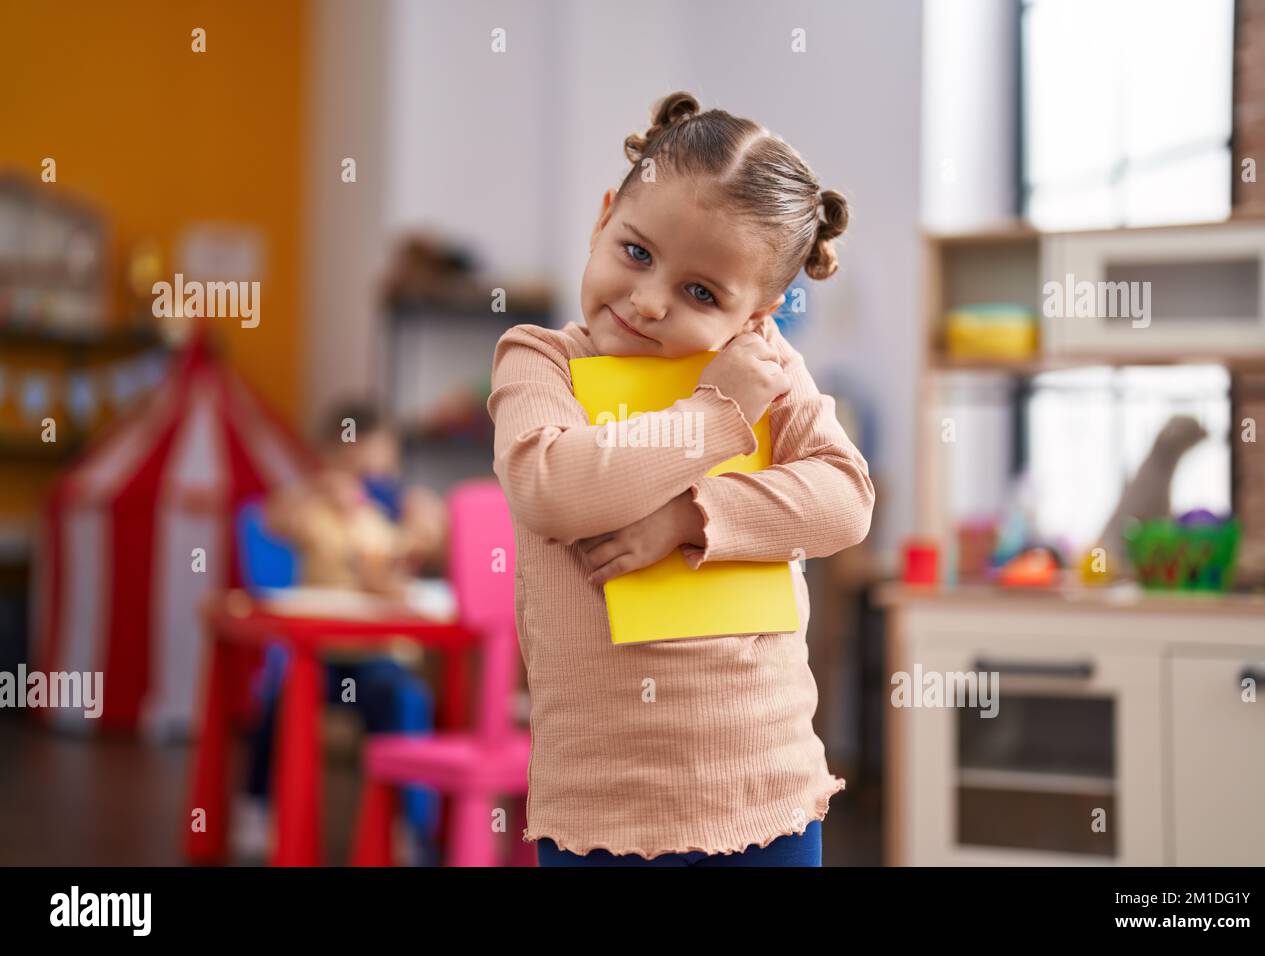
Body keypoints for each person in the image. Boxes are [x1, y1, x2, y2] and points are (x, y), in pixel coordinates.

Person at [487, 92, 875, 866]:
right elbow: (551, 486)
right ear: (603, 219)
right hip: (603, 806)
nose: (649, 301)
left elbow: (846, 499)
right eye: (636, 252)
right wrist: (713, 415)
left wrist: (690, 518)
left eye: (702, 294)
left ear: (758, 314)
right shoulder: (542, 360)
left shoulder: (768, 368)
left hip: (768, 790)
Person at [235, 402, 448, 865]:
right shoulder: (314, 511)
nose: (366, 484)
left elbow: (432, 540)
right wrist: (315, 490)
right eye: (355, 470)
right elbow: (269, 519)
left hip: (377, 659)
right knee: (278, 706)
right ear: (328, 462)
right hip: (321, 657)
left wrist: (425, 524)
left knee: (404, 702)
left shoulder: (394, 513)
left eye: (379, 471)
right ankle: (257, 804)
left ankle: (411, 828)